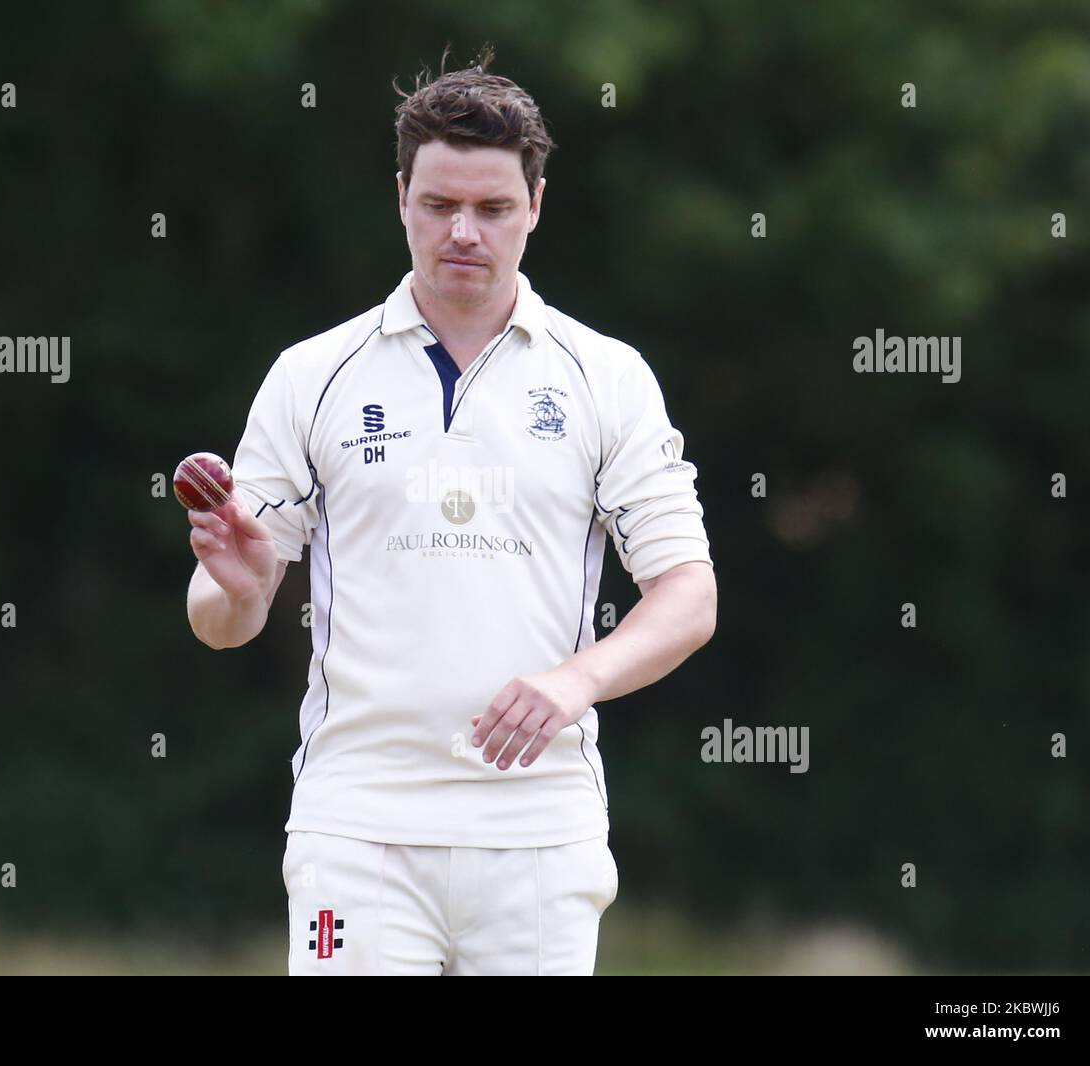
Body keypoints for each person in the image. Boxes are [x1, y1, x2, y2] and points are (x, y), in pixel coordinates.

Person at [185, 44, 717, 976]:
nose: (463, 232)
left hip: (539, 836)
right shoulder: (313, 376)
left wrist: (572, 683)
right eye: (439, 206)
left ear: (536, 209)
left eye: (492, 208)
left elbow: (687, 595)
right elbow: (222, 623)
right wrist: (240, 587)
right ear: (401, 200)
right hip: (358, 832)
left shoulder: (607, 377)